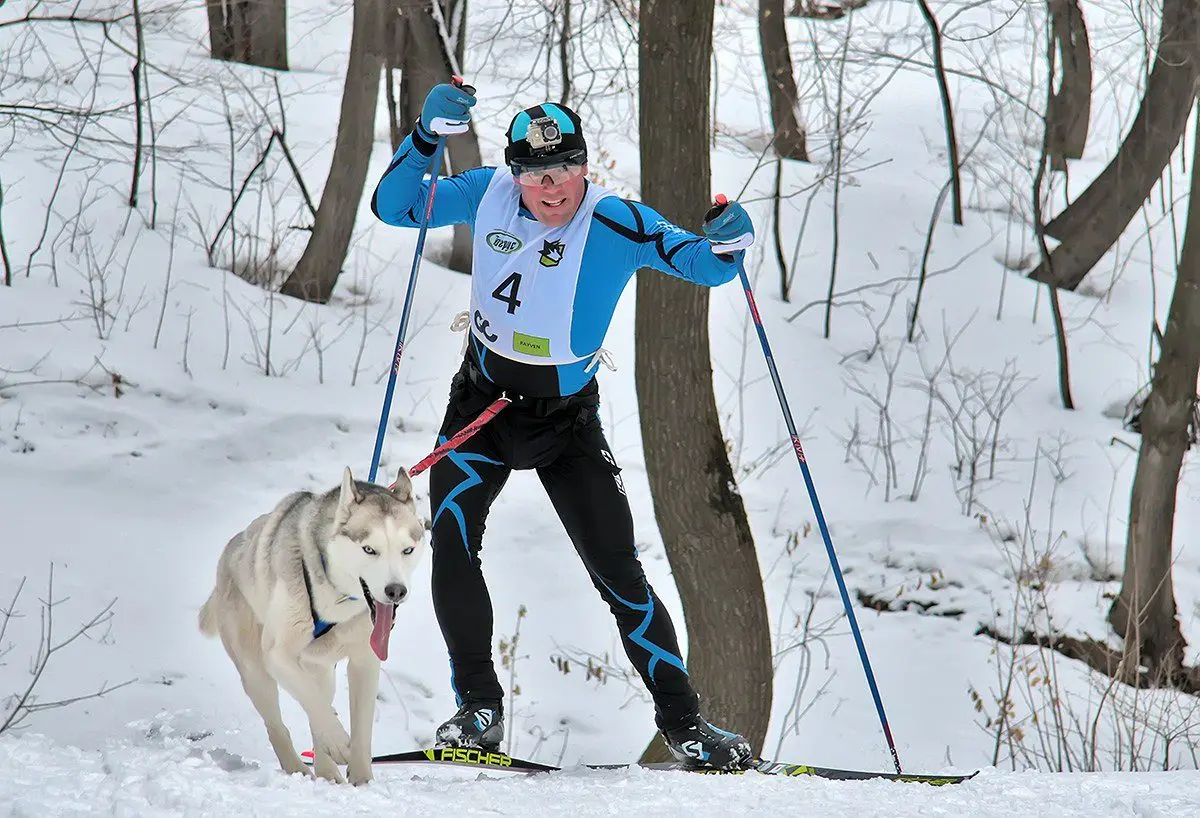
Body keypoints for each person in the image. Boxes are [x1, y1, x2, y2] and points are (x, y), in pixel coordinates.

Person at [371, 81, 757, 770]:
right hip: (481, 408)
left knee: (619, 573)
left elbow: (705, 265)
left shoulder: (615, 221)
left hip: (566, 423)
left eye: (564, 172)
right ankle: (479, 709)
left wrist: (730, 242)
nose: (550, 189)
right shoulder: (486, 190)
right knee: (453, 541)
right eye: (535, 175)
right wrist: (426, 137)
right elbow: (395, 207)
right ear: (516, 174)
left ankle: (687, 725)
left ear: (585, 168)